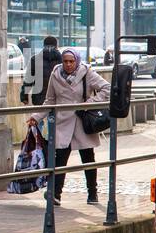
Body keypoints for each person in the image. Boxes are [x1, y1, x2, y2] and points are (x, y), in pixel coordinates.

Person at [33, 48, 110, 205]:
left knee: (88, 157)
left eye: (71, 61)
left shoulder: (86, 72)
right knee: (60, 158)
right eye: (65, 61)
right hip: (63, 122)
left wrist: (88, 104)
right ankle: (55, 194)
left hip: (82, 121)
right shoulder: (56, 74)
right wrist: (36, 117)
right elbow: (50, 100)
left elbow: (106, 88)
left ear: (77, 61)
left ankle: (92, 193)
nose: (68, 64)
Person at [23, 35, 61, 105]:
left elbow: (28, 79)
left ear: (44, 45)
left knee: (39, 115)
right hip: (58, 98)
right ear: (56, 46)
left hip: (39, 98)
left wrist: (24, 97)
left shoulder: (35, 59)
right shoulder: (63, 59)